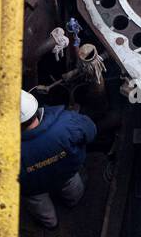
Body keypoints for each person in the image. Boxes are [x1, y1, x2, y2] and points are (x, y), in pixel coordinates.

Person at [19, 89, 98, 229]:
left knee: (40, 206)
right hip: (66, 173)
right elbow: (91, 131)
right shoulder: (67, 123)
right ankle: (74, 204)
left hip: (34, 188)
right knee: (73, 190)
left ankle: (51, 224)